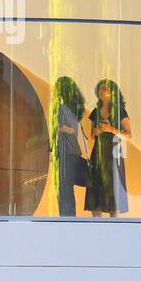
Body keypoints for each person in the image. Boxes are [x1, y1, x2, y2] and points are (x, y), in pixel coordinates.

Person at [87, 78, 131, 217]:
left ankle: (113, 228)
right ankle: (95, 228)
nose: (101, 91)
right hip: (98, 154)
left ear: (112, 92)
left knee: (113, 193)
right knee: (96, 190)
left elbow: (129, 135)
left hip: (114, 154)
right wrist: (98, 131)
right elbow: (91, 135)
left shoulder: (120, 112)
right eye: (100, 89)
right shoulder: (95, 112)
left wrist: (111, 129)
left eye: (105, 89)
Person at [50, 75, 89, 217]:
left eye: (56, 87)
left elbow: (71, 129)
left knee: (64, 190)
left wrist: (59, 129)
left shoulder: (62, 108)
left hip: (66, 152)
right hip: (72, 152)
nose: (53, 90)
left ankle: (67, 221)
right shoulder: (72, 109)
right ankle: (68, 220)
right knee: (66, 190)